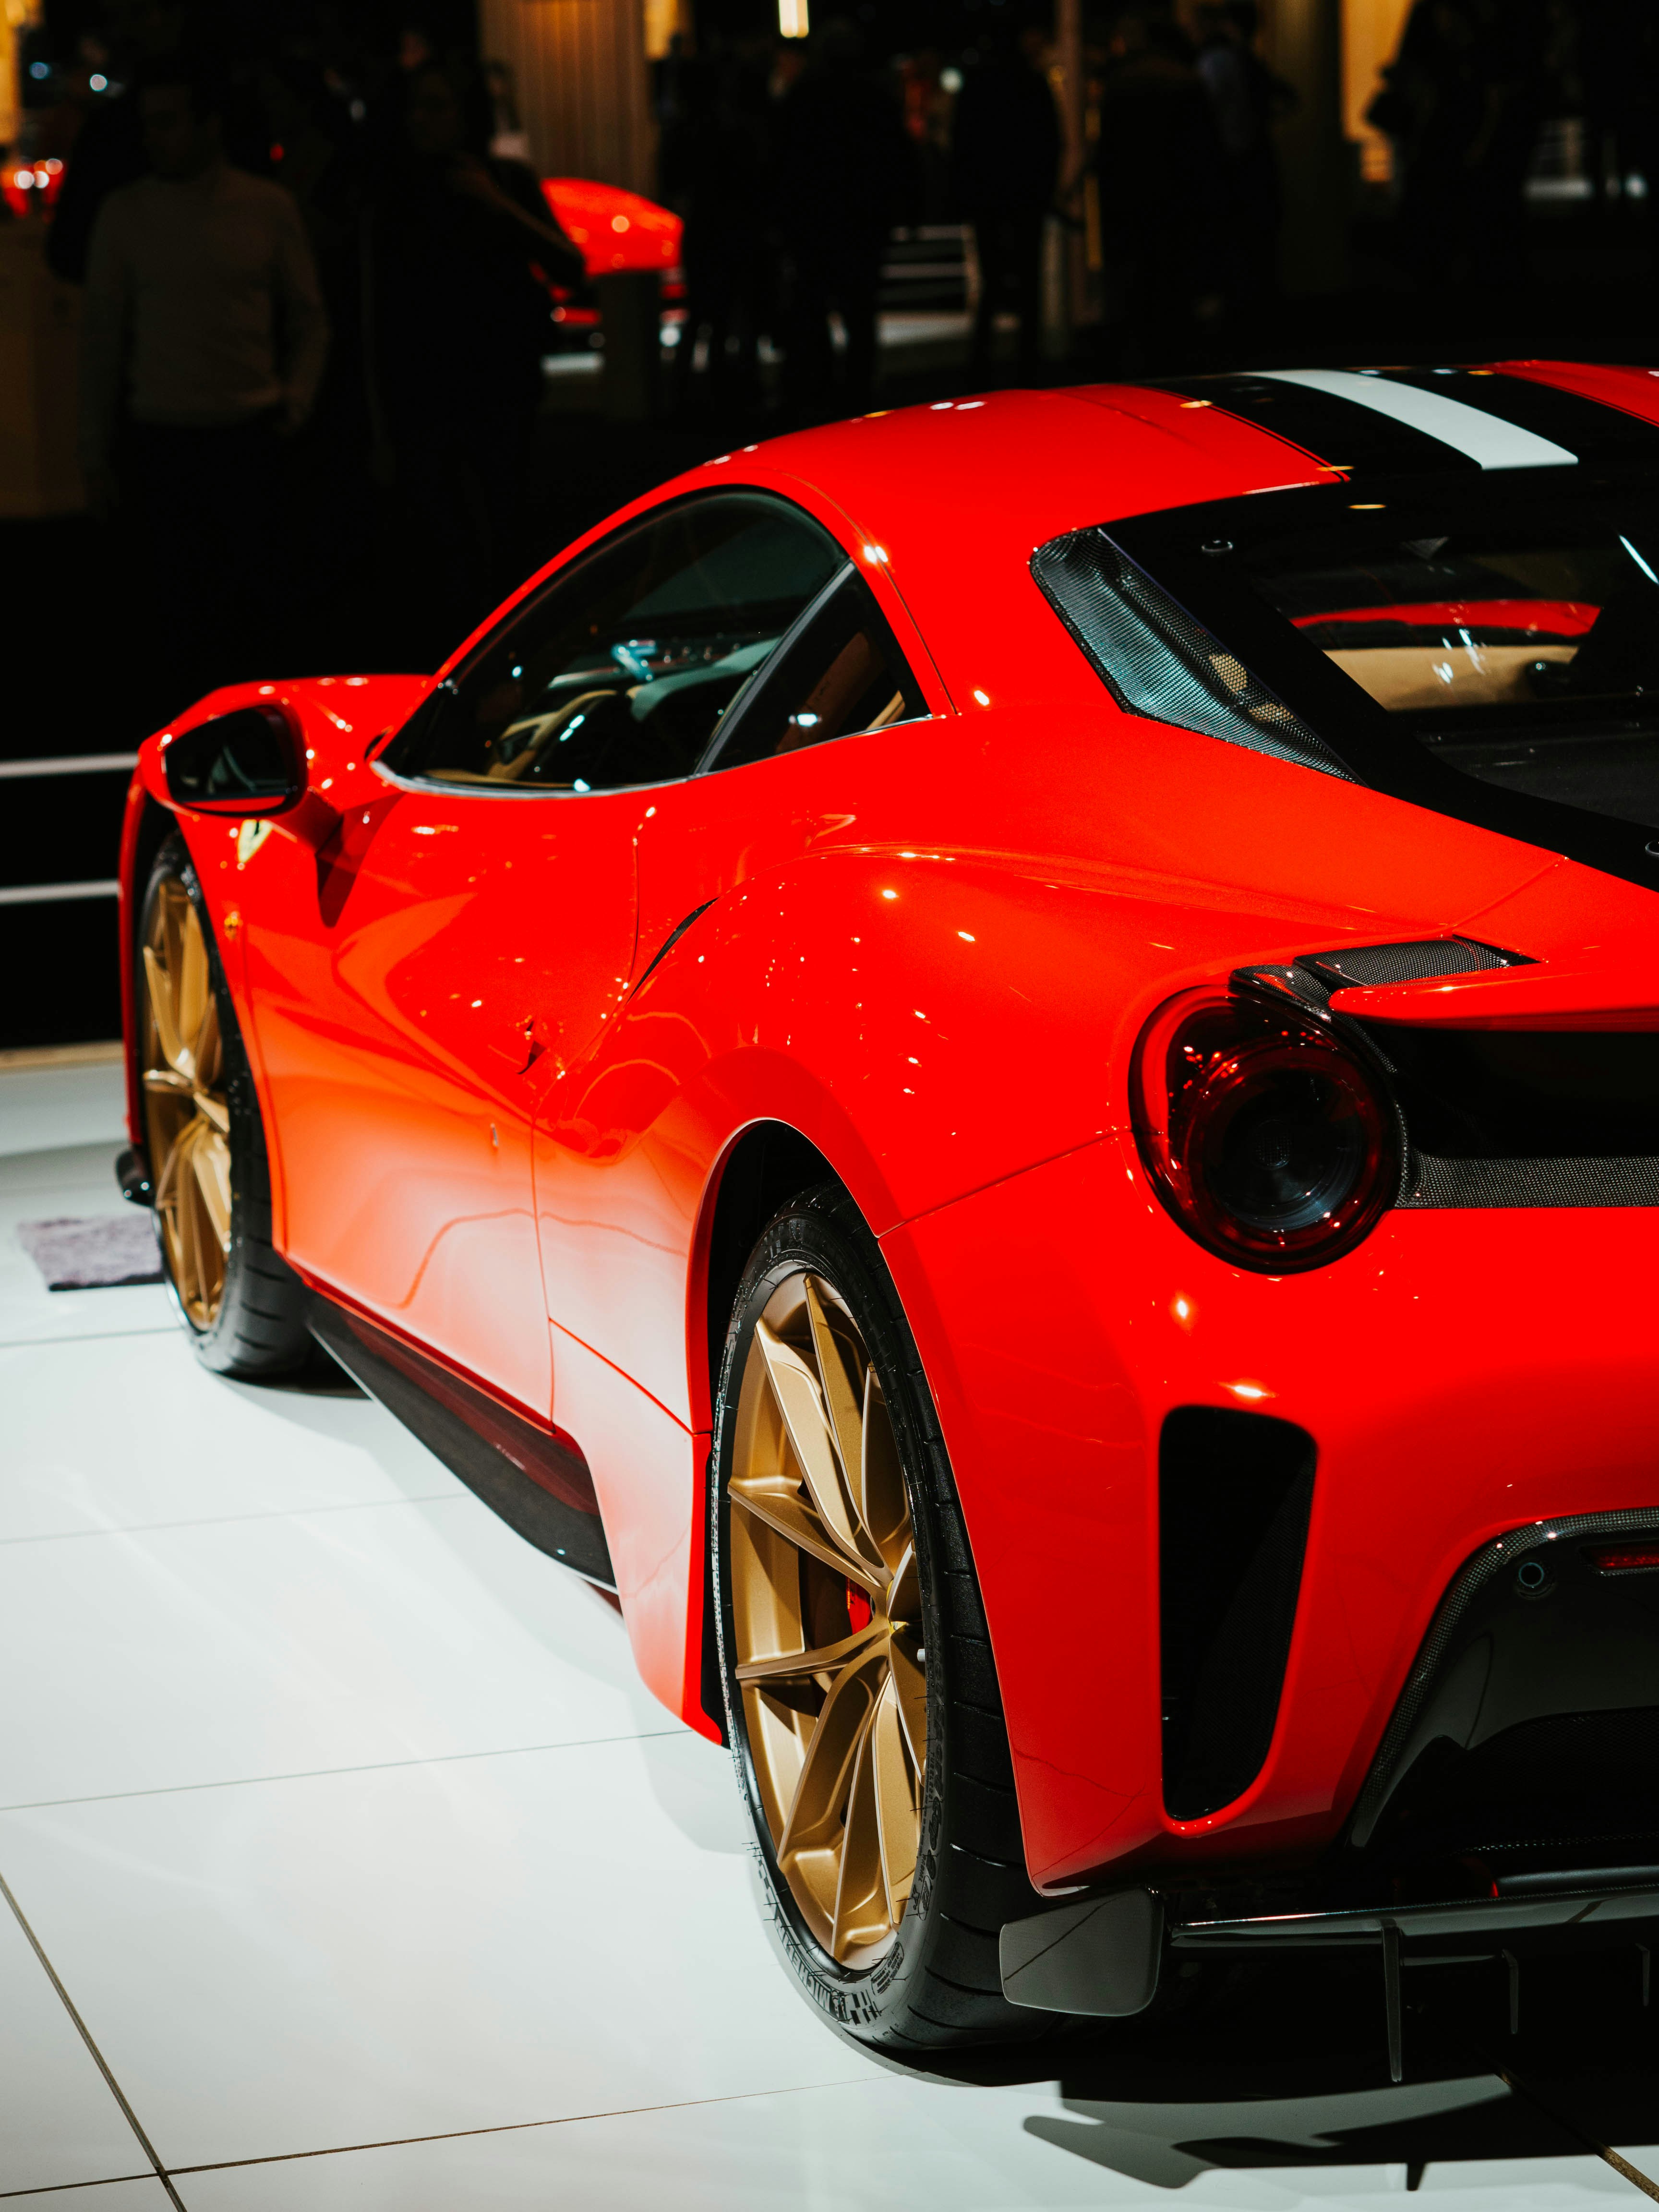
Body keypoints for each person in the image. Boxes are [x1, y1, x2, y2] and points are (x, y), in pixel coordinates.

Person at [78, 52, 329, 705]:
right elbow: (101, 341)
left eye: (168, 122)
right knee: (183, 622)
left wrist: (293, 403)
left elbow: (310, 319)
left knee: (250, 619)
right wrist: (95, 448)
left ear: (210, 126)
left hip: (245, 433)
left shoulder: (262, 207)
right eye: (149, 124)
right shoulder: (127, 215)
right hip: (169, 438)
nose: (154, 137)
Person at [362, 58, 583, 649]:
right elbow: (378, 310)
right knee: (445, 540)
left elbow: (571, 266)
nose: (423, 121)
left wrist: (494, 202)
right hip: (426, 390)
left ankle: (512, 653)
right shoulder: (395, 194)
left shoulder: (504, 178)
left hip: (497, 383)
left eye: (437, 106)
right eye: (417, 108)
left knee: (508, 528)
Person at [773, 19, 913, 419]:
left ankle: (819, 389)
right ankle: (857, 393)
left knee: (813, 309)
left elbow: (784, 164)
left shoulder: (804, 97)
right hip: (861, 223)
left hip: (815, 223)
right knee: (860, 313)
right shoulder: (874, 99)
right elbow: (895, 161)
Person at [951, 21, 1061, 377]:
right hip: (1025, 194)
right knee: (1029, 280)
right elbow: (1050, 140)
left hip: (987, 195)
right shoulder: (1031, 83)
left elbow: (963, 146)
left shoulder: (976, 86)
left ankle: (982, 359)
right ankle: (1028, 357)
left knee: (991, 279)